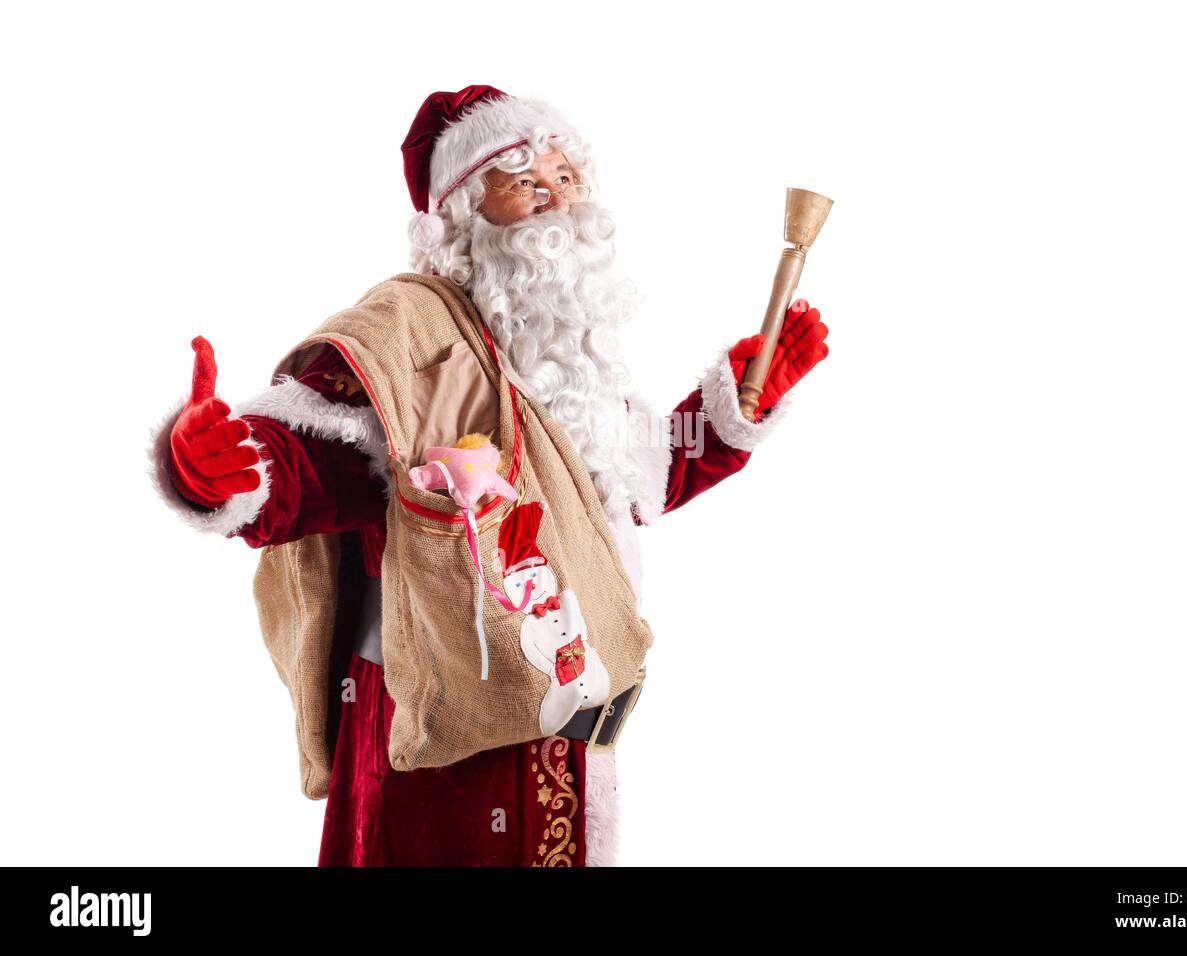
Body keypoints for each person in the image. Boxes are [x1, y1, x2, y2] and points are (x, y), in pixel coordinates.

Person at [148, 85, 829, 866]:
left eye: (566, 178)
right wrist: (224, 470)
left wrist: (731, 409)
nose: (556, 199)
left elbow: (642, 476)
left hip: (569, 725)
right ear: (464, 213)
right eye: (525, 181)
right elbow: (307, 462)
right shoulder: (409, 340)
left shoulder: (573, 357)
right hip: (437, 742)